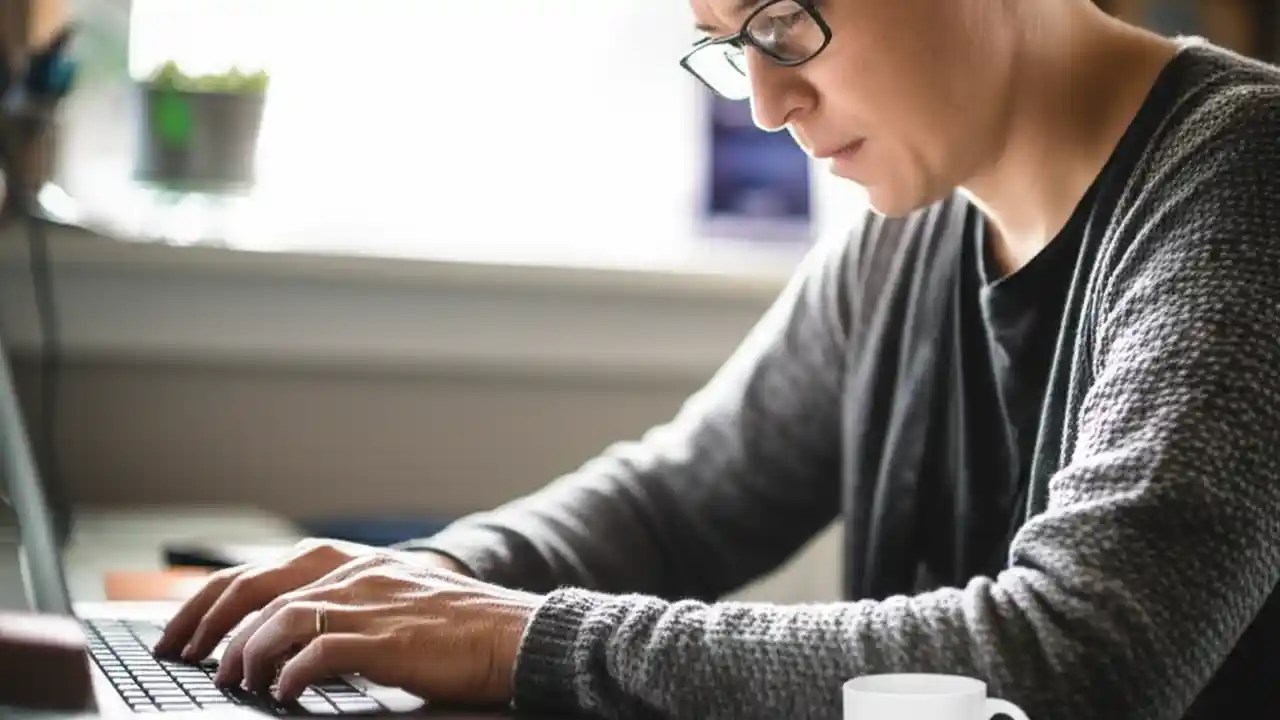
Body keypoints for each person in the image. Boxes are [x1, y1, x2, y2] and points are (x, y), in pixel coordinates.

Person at [153, 0, 1280, 717]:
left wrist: (518, 643)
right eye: (727, 44)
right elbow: (678, 501)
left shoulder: (1241, 179)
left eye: (784, 21)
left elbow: (1075, 661)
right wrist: (432, 582)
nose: (765, 101)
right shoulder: (905, 234)